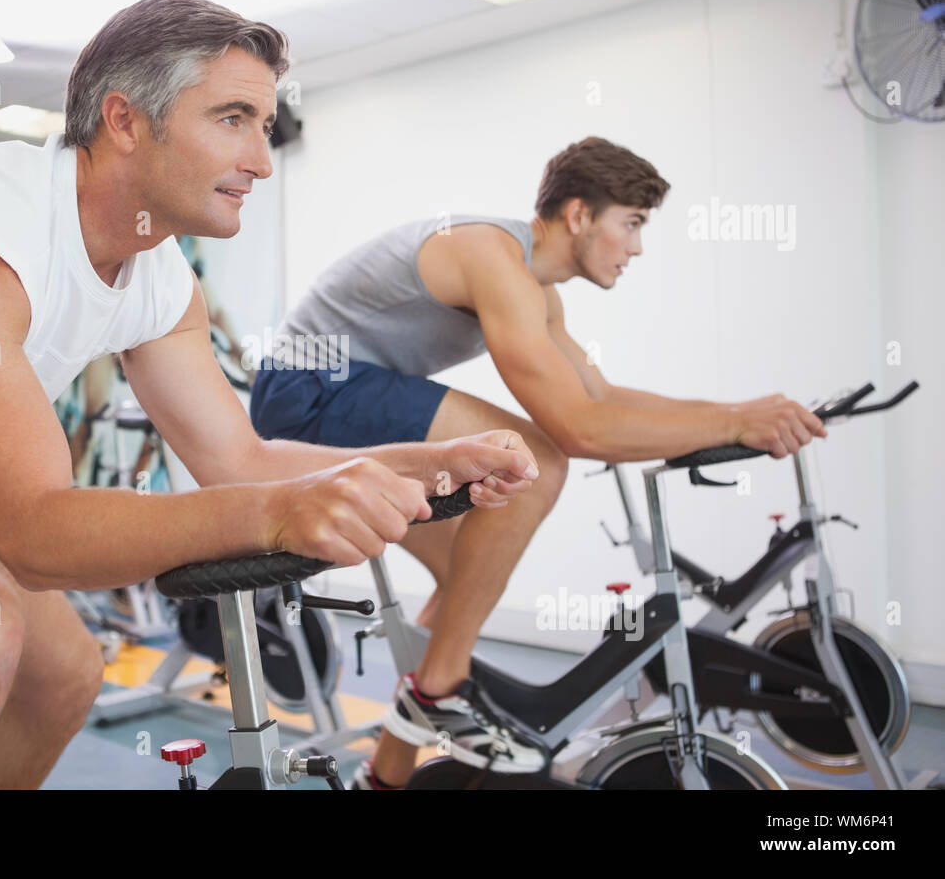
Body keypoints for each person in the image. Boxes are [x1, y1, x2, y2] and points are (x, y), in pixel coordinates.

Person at [0, 0, 537, 789]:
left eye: (265, 125)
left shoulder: (160, 279)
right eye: (233, 119)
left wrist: (421, 463)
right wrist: (275, 514)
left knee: (63, 671)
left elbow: (239, 457)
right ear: (123, 119)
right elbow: (36, 530)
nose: (261, 161)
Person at [248, 135, 828, 788]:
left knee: (469, 566)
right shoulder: (493, 257)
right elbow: (577, 430)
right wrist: (730, 423)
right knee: (534, 462)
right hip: (304, 391)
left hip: (347, 390)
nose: (636, 246)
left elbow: (600, 396)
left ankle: (385, 775)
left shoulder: (540, 292)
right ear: (580, 215)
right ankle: (439, 694)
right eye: (631, 224)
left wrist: (742, 413)